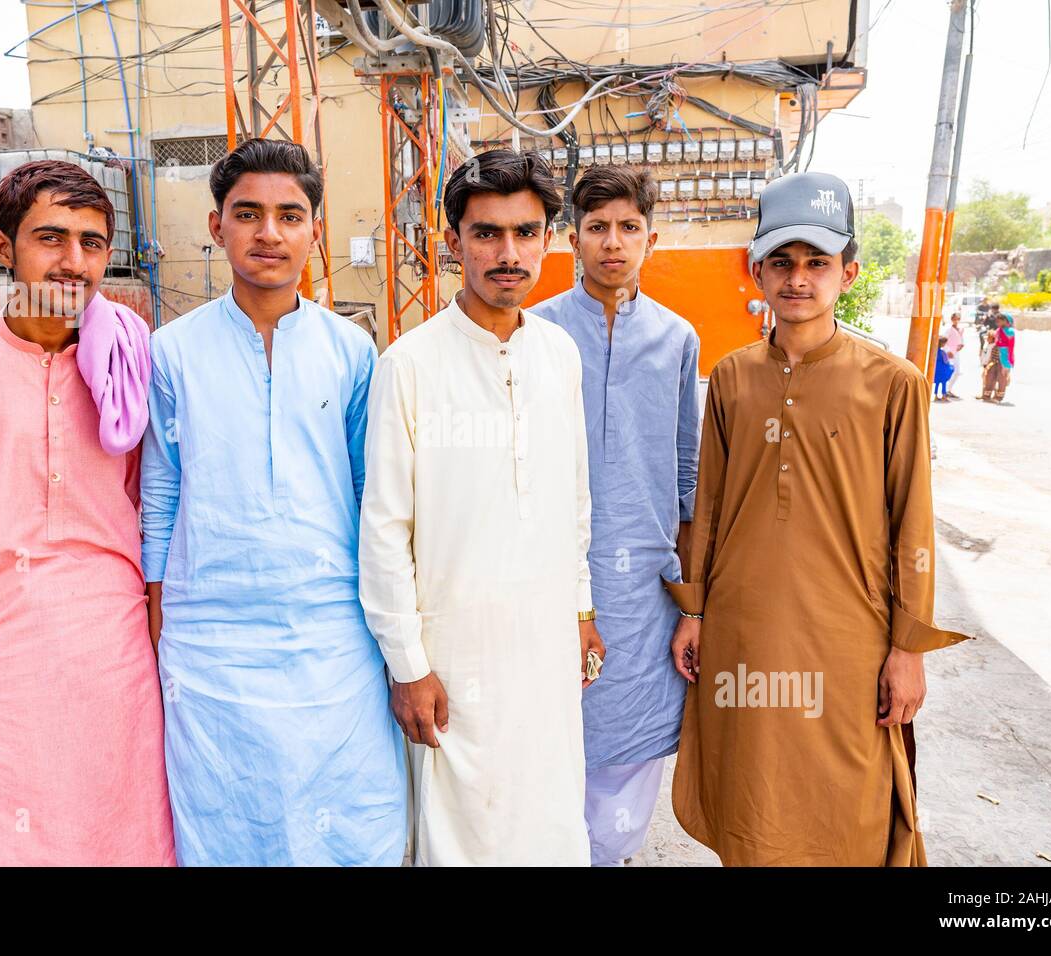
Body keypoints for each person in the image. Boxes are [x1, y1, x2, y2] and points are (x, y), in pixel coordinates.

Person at [668, 172, 970, 866]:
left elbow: (912, 527)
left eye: (816, 262)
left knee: (848, 806)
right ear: (758, 270)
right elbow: (707, 506)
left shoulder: (893, 384)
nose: (797, 279)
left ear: (849, 271)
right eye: (781, 261)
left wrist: (908, 648)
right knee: (751, 796)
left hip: (847, 644)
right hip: (744, 634)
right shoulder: (733, 378)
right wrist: (697, 612)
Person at [0, 160, 174, 865]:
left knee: (122, 829)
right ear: (2, 245)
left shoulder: (128, 369)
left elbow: (141, 501)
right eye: (51, 237)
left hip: (111, 654)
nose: (73, 261)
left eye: (93, 242)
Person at [140, 138, 406, 866]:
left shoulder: (350, 350)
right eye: (248, 213)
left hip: (332, 631)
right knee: (227, 816)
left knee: (347, 811)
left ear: (314, 229)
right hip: (211, 637)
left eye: (290, 215)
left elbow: (368, 491)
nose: (269, 233)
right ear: (215, 224)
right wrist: (162, 616)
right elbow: (161, 489)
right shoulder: (173, 351)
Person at [358, 149, 601, 866]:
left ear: (548, 241)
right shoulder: (409, 364)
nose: (508, 253)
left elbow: (575, 499)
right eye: (486, 233)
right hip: (454, 661)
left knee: (551, 818)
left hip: (547, 648)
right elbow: (383, 530)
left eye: (525, 233)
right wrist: (407, 665)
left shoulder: (559, 355)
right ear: (452, 243)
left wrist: (582, 613)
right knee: (463, 833)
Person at [532, 164, 700, 867]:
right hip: (546, 577)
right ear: (571, 238)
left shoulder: (677, 339)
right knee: (545, 742)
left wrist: (693, 603)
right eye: (597, 227)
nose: (612, 243)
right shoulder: (537, 333)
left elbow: (688, 473)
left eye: (628, 228)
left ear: (650, 239)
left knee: (628, 751)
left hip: (642, 586)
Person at [980, 312, 1016, 403]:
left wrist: (1008, 363)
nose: (997, 323)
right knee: (989, 375)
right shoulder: (998, 330)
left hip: (1004, 359)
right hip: (994, 357)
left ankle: (998, 397)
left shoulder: (1010, 332)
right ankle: (986, 395)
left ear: (1005, 321)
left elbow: (1011, 347)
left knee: (1002, 378)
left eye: (999, 321)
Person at [943, 311, 965, 398]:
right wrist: (948, 351)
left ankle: (949, 389)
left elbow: (961, 340)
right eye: (955, 319)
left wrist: (961, 345)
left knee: (957, 372)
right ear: (952, 319)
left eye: (958, 319)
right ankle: (946, 390)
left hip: (956, 353)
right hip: (950, 353)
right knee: (950, 371)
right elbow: (943, 341)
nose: (956, 321)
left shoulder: (960, 329)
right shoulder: (948, 330)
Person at [934, 334, 954, 401]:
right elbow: (946, 361)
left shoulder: (935, 351)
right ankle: (944, 396)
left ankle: (936, 395)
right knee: (943, 383)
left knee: (937, 382)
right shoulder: (943, 352)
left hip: (937, 369)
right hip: (943, 370)